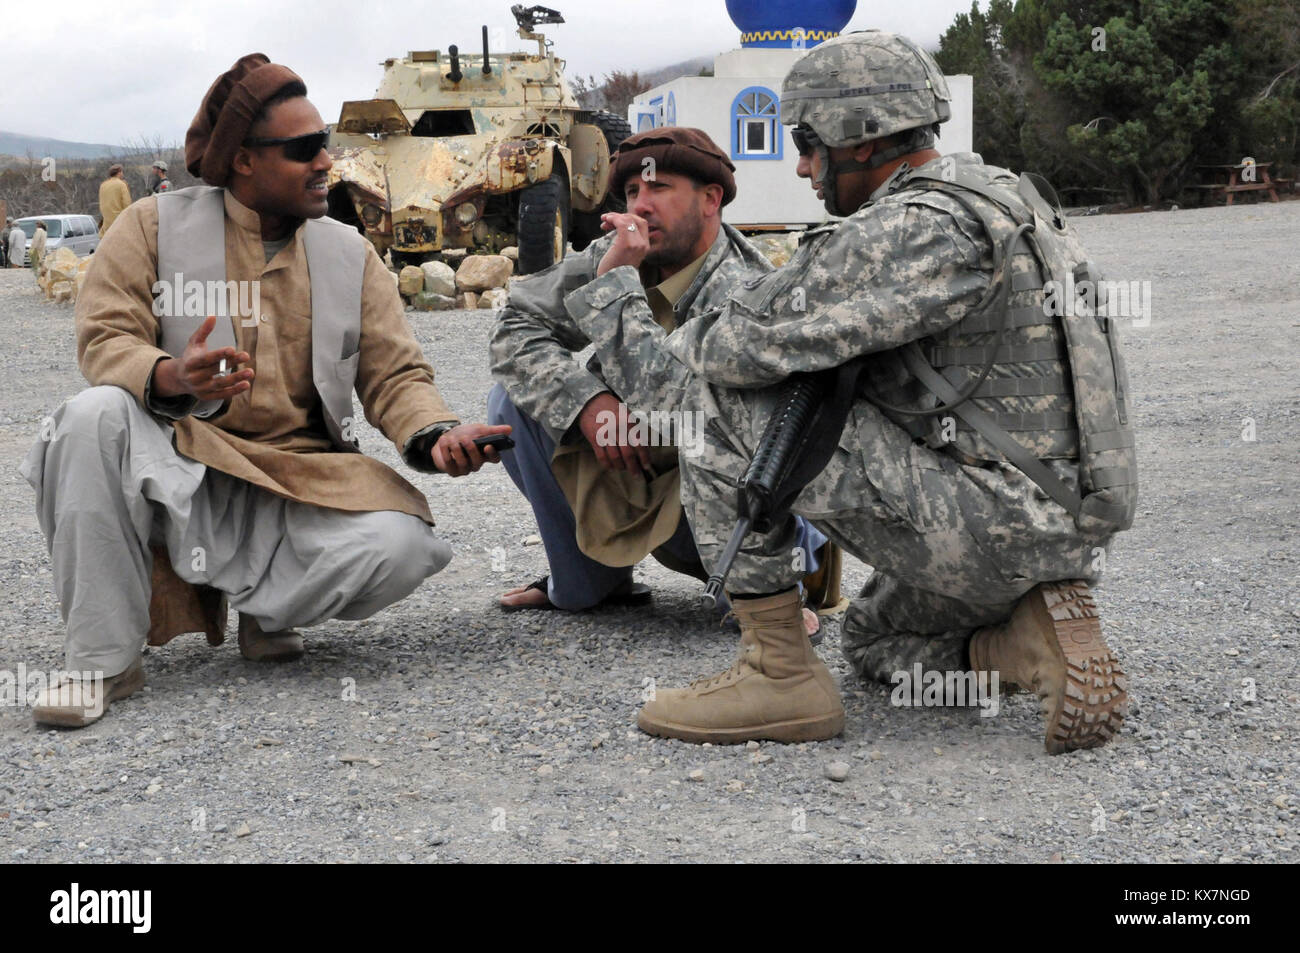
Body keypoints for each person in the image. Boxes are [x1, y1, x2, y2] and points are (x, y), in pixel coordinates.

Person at [565, 31, 1136, 753]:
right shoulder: (1003, 197)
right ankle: (1022, 640)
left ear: (861, 140)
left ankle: (777, 673)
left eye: (809, 141)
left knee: (715, 401)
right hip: (1055, 522)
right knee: (874, 639)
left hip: (993, 525)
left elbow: (700, 365)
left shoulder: (910, 228)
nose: (802, 165)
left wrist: (615, 284)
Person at [22, 53, 510, 728]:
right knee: (88, 418)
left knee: (405, 545)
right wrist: (170, 376)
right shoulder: (151, 226)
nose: (326, 164)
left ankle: (268, 608)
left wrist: (435, 433)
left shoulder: (349, 253)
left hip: (296, 480)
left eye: (326, 146)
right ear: (244, 161)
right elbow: (105, 338)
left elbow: (395, 375)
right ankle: (102, 661)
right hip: (180, 463)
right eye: (304, 149)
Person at [488, 128, 833, 633]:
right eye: (632, 193)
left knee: (755, 610)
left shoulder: (751, 288)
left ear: (711, 199)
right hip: (635, 460)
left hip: (713, 484)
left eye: (659, 189)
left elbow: (686, 409)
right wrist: (586, 402)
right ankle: (589, 579)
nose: (641, 206)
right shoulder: (619, 252)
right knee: (511, 403)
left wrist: (612, 287)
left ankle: (771, 590)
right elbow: (515, 325)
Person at [99, 163, 133, 235]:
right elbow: (127, 204)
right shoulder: (121, 184)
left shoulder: (103, 185)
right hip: (119, 223)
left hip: (106, 225)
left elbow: (101, 204)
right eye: (122, 172)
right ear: (119, 172)